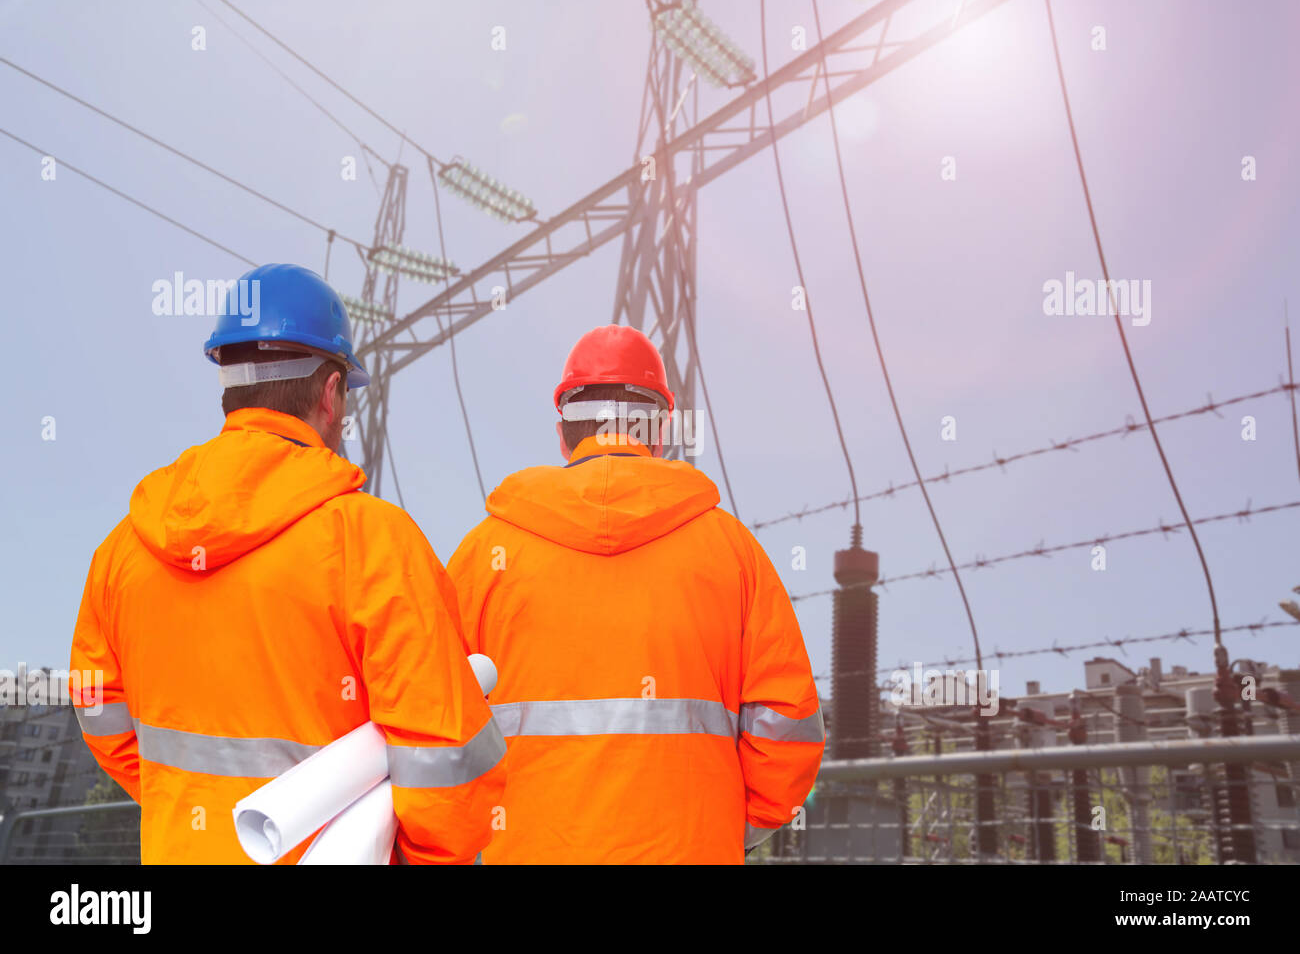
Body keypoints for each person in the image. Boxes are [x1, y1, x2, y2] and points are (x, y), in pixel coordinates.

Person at [70, 263, 505, 864]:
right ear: (330, 392)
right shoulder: (372, 543)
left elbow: (98, 709)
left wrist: (193, 813)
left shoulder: (123, 550)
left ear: (228, 385)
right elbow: (446, 763)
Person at [447, 324, 823, 863]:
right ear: (660, 430)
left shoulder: (485, 556)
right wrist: (724, 827)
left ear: (563, 433)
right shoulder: (732, 552)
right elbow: (788, 728)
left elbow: (437, 728)